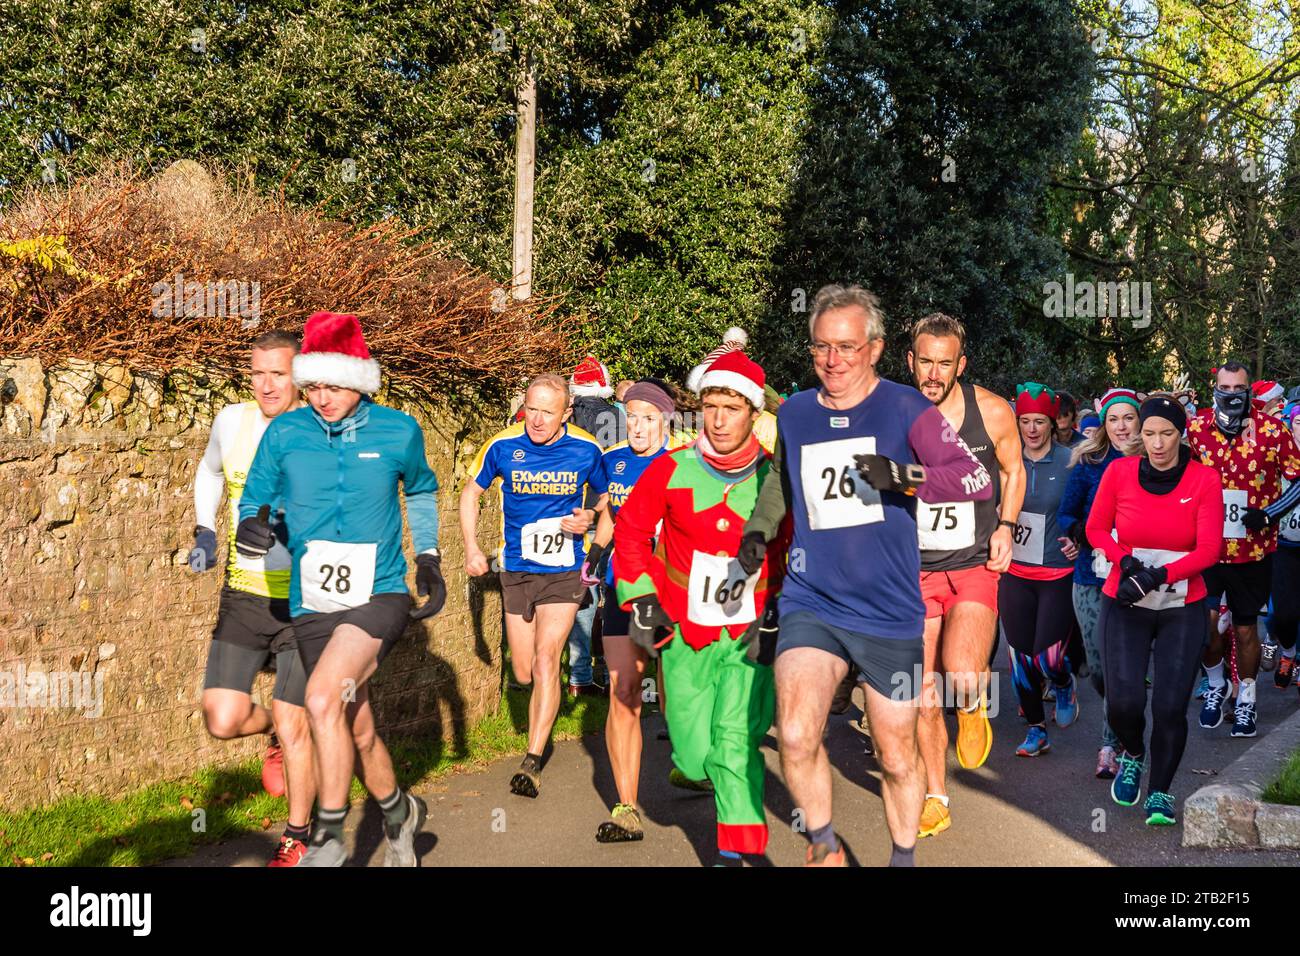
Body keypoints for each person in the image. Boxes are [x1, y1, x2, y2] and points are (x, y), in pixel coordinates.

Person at [739, 284, 992, 866]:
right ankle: (824, 845)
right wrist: (759, 529)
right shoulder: (796, 411)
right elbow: (783, 479)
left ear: (874, 349)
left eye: (848, 347)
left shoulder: (908, 410)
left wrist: (904, 476)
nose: (834, 360)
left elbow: (971, 477)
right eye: (822, 347)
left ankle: (901, 857)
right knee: (798, 736)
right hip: (814, 602)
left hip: (891, 614)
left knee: (897, 754)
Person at [236, 311, 446, 866]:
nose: (322, 398)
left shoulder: (398, 430)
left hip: (378, 593)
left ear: (359, 379)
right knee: (356, 726)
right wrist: (255, 524)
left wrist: (428, 557)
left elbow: (422, 491)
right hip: (313, 602)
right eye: (313, 386)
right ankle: (400, 811)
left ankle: (327, 838)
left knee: (322, 698)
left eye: (334, 385)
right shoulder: (286, 432)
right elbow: (257, 498)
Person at [613, 352, 789, 866]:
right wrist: (641, 600)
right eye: (710, 406)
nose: (718, 418)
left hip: (749, 631)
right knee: (692, 753)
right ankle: (707, 777)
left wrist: (780, 613)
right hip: (683, 631)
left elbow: (797, 549)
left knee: (735, 742)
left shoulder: (775, 478)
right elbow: (630, 533)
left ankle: (735, 851)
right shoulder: (673, 466)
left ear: (753, 413)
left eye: (731, 408)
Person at [191, 330, 316, 866]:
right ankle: (271, 734)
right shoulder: (232, 423)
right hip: (245, 595)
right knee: (221, 717)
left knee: (297, 722)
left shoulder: (322, 434)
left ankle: (297, 836)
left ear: (300, 377)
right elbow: (209, 471)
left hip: (307, 604)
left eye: (279, 373)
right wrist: (205, 530)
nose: (267, 384)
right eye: (258, 372)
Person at [906, 313, 1024, 838]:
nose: (933, 373)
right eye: (924, 361)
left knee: (959, 672)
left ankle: (973, 704)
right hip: (913, 573)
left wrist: (1006, 525)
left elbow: (1013, 469)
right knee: (922, 692)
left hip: (973, 565)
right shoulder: (892, 416)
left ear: (961, 364)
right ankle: (936, 796)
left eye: (944, 363)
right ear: (910, 361)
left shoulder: (991, 410)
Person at [461, 373, 602, 796]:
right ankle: (545, 689)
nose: (537, 420)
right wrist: (471, 548)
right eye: (531, 409)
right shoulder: (502, 445)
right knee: (523, 671)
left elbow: (604, 493)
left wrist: (590, 517)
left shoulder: (586, 447)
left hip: (563, 569)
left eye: (548, 412)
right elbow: (471, 492)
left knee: (545, 660)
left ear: (566, 413)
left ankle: (532, 759)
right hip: (518, 569)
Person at [1087, 396, 1223, 825]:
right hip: (1125, 597)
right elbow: (1094, 528)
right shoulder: (1119, 472)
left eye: (1166, 433)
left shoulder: (1204, 480)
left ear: (1181, 433)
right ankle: (1133, 753)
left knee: (1168, 706)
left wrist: (1158, 575)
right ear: (1139, 436)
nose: (1158, 443)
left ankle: (1161, 791)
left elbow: (1209, 549)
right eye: (1149, 434)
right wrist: (1128, 564)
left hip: (1182, 605)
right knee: (1122, 703)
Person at [584, 379, 676, 842]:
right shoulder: (614, 461)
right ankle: (626, 807)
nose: (637, 426)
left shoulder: (680, 465)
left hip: (674, 597)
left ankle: (697, 760)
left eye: (647, 417)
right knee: (625, 694)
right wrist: (595, 554)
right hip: (624, 590)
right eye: (631, 417)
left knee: (682, 699)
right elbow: (610, 512)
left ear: (666, 420)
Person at [1189, 362, 1300, 737]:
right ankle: (1216, 684)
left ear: (1249, 391)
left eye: (1240, 388)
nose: (1232, 393)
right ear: (1214, 387)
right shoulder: (1197, 429)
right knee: (1205, 628)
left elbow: (1299, 478)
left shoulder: (1273, 430)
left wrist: (1269, 514)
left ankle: (1248, 700)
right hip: (1205, 547)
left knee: (1246, 630)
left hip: (1253, 551)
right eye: (1226, 387)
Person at [1056, 387, 1140, 778]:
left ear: (1140, 421)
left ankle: (1111, 743)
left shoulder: (1154, 459)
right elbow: (1065, 512)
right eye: (1113, 419)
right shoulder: (1091, 461)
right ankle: (1121, 717)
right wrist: (1073, 537)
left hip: (1139, 580)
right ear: (1103, 424)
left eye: (1128, 418)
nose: (1122, 426)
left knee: (1122, 666)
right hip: (1091, 577)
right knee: (1101, 669)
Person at [1000, 383, 1080, 757]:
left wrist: (1078, 537)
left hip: (1056, 574)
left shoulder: (1070, 461)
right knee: (1019, 654)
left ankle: (1063, 682)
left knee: (1047, 657)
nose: (1031, 429)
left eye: (1039, 422)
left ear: (1052, 424)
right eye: (1025, 422)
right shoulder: (1006, 460)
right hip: (1015, 571)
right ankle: (1036, 729)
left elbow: (1086, 509)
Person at [566, 356, 622, 697]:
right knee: (607, 591)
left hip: (573, 513)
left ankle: (579, 677)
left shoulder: (567, 415)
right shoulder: (617, 417)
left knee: (581, 594)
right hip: (608, 513)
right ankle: (609, 670)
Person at [1265, 402, 1300, 687]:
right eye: (1299, 421)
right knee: (1283, 613)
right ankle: (1287, 651)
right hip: (1284, 547)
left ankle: (1295, 662)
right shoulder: (1277, 456)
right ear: (1290, 425)